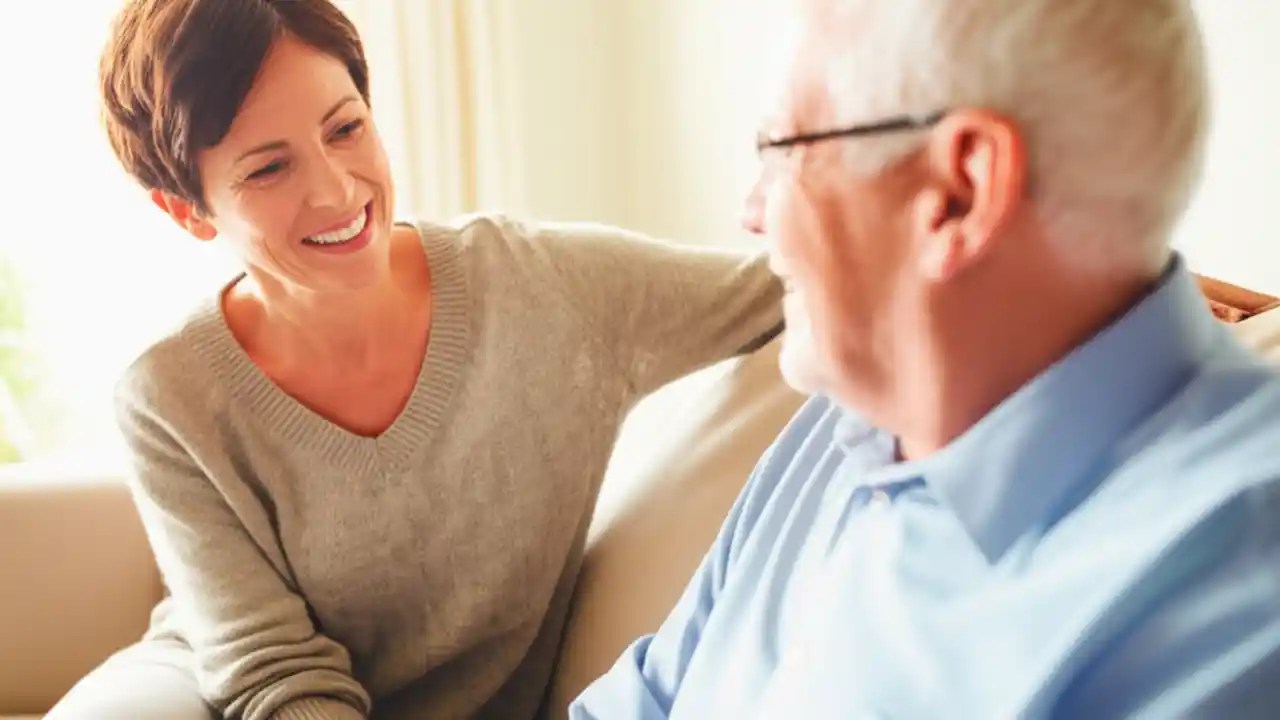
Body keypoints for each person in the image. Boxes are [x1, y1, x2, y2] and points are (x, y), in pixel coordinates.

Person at [49, 1, 783, 719]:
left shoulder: (543, 287)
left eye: (345, 129)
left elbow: (785, 287)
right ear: (188, 210)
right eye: (269, 169)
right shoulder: (167, 396)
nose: (336, 190)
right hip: (214, 685)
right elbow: (271, 672)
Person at [572, 0, 1280, 717]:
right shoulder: (837, 432)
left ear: (960, 193)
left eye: (783, 150)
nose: (752, 213)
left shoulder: (1241, 586)